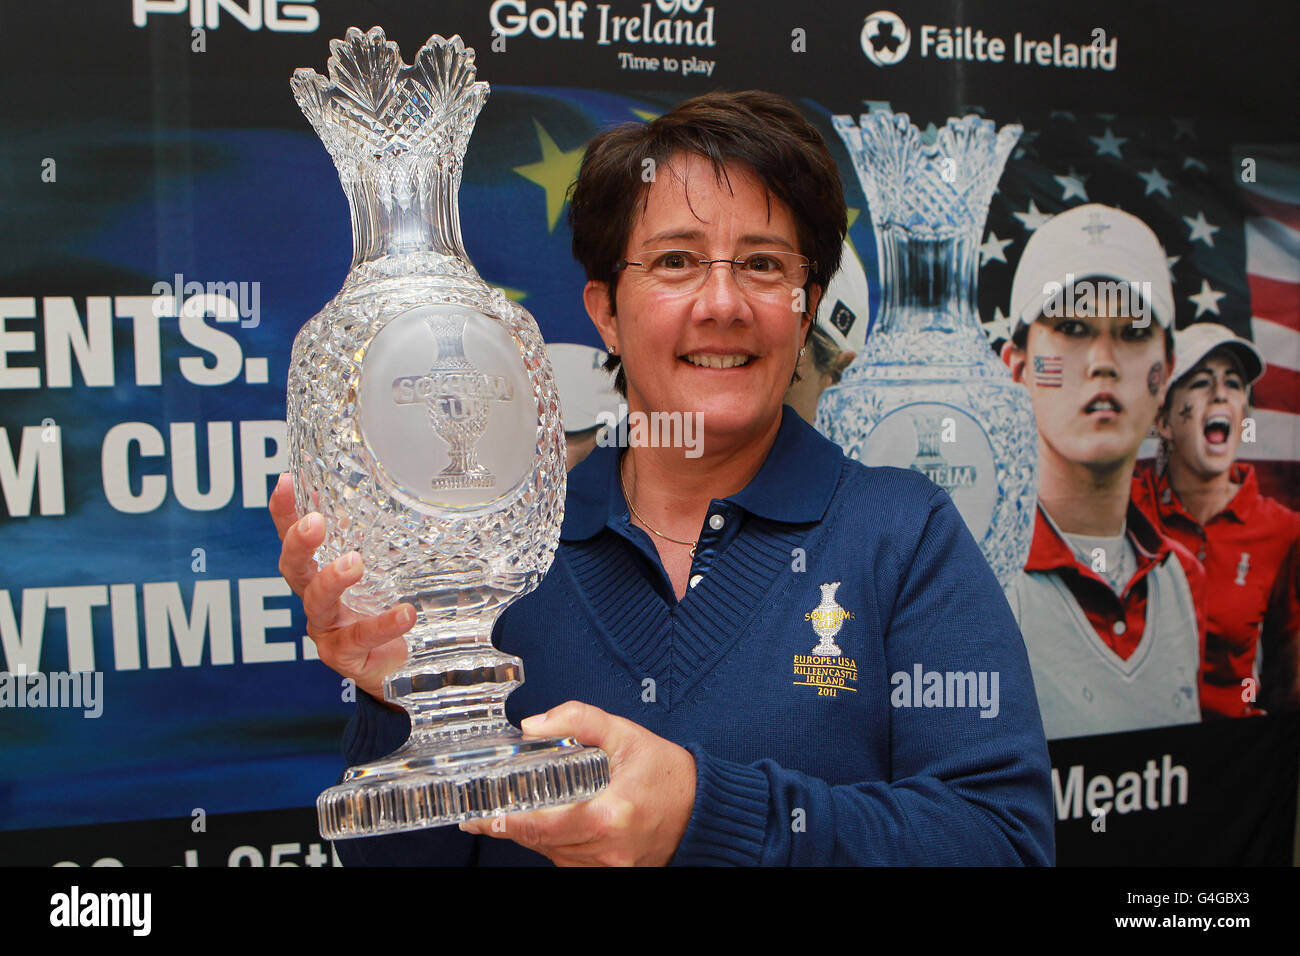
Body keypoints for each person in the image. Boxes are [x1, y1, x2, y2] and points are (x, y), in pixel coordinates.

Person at [270, 90, 1054, 865]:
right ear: (606, 311)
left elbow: (1002, 843)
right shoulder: (498, 560)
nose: (723, 303)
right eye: (677, 261)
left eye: (762, 264)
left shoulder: (903, 537)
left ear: (805, 307)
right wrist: (402, 700)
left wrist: (705, 815)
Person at [1001, 203, 1208, 741]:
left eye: (1134, 330)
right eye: (1071, 326)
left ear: (1165, 371)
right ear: (1017, 367)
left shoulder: (1182, 581)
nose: (1102, 361)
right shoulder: (968, 577)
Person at [1132, 322, 1300, 717]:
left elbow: (1287, 681)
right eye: (1201, 382)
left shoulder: (1282, 531)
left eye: (1234, 384)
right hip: (1138, 763)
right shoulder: (1124, 510)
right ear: (1164, 421)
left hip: (1233, 757)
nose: (1221, 394)